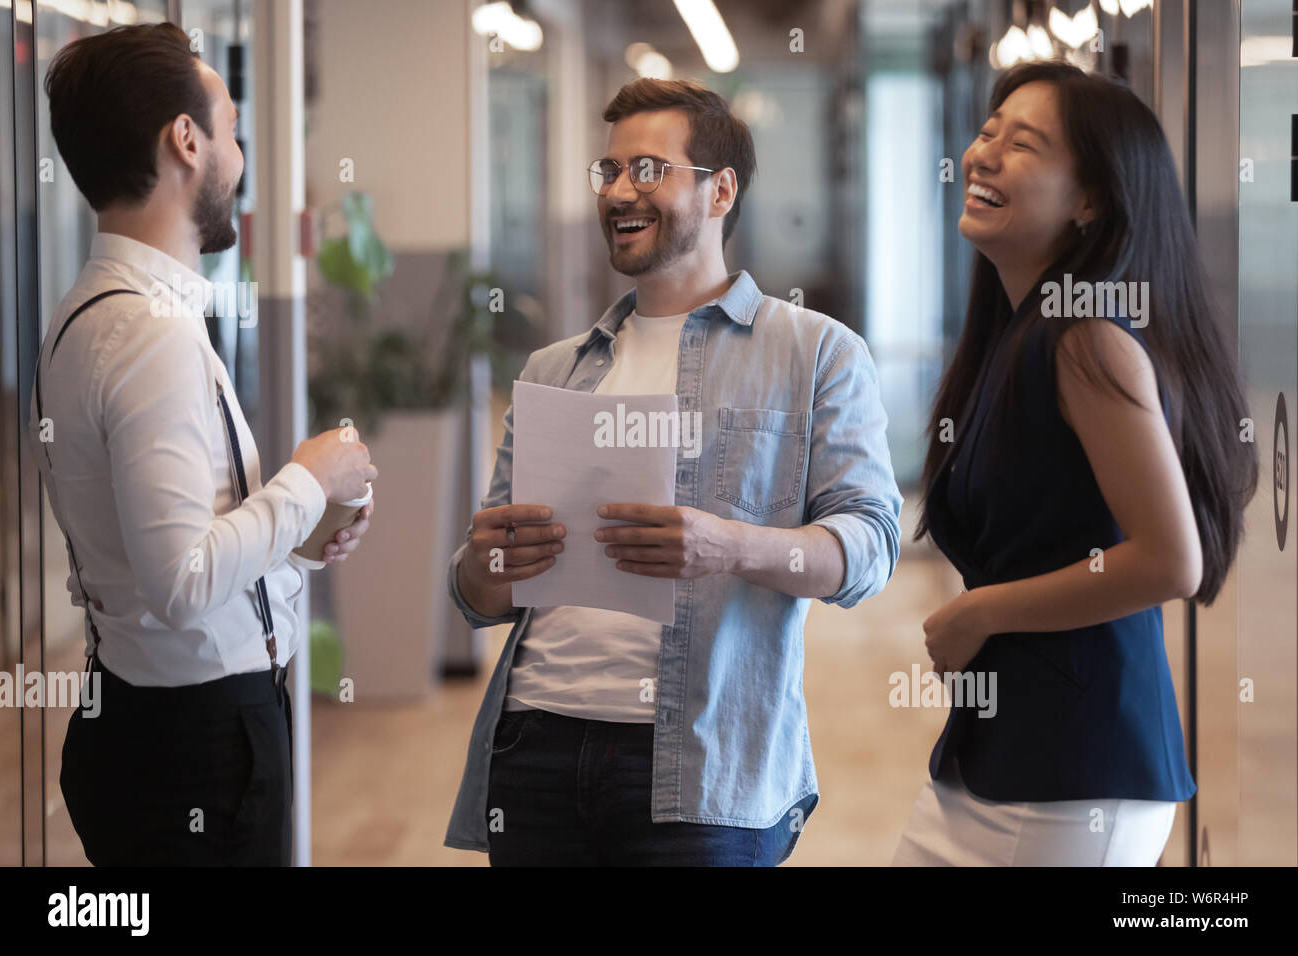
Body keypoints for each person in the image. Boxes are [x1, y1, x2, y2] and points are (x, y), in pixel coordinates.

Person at [444, 78, 903, 865]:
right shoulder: (556, 369)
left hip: (703, 767)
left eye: (649, 169)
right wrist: (490, 561)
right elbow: (477, 592)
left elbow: (869, 550)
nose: (620, 191)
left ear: (720, 190)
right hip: (535, 748)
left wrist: (728, 546)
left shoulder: (816, 352)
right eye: (610, 171)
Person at [894, 61, 1257, 866]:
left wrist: (981, 611)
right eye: (987, 131)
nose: (983, 154)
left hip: (1070, 781)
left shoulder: (1086, 339)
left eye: (1022, 144)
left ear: (1089, 201)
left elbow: (1169, 562)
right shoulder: (1021, 335)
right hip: (1010, 767)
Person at [33, 22, 378, 866]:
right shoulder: (148, 333)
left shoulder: (94, 314)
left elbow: (168, 556)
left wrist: (292, 545)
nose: (241, 154)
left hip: (154, 726)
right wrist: (306, 477)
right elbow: (182, 583)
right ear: (184, 141)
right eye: (230, 128)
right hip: (196, 751)